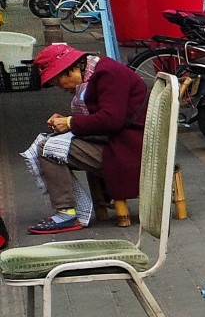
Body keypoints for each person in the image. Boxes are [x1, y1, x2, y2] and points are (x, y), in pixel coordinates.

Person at [27, 43, 148, 234]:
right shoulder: (98, 72)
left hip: (127, 148)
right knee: (48, 145)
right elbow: (102, 115)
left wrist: (71, 123)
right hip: (120, 142)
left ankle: (67, 213)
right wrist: (67, 121)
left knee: (47, 149)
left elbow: (111, 120)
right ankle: (69, 209)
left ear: (70, 71)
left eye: (59, 83)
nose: (62, 89)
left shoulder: (108, 75)